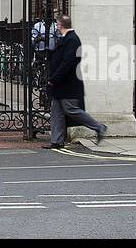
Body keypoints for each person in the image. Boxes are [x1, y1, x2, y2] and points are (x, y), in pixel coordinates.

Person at [42, 15, 107, 149]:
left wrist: (54, 79)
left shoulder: (72, 40)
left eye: (58, 24)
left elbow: (67, 63)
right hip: (60, 84)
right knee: (56, 112)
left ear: (61, 25)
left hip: (68, 84)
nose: (57, 27)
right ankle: (57, 141)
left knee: (71, 110)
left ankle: (99, 127)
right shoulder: (66, 38)